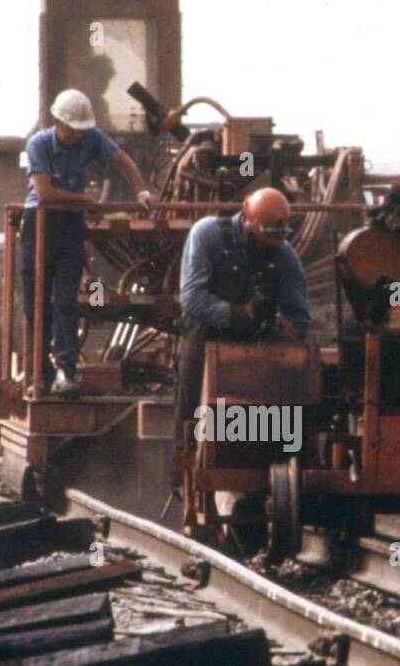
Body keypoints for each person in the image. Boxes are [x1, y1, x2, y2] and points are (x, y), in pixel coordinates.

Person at [21, 87, 154, 397]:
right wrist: (85, 199)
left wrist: (142, 193)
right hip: (39, 224)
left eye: (83, 130)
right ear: (58, 122)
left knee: (67, 300)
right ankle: (40, 374)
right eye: (73, 130)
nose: (79, 136)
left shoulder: (91, 137)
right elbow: (44, 193)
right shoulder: (39, 144)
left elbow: (125, 161)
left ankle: (66, 373)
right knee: (36, 303)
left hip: (69, 226)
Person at [174, 186, 311, 438]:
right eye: (262, 241)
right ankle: (187, 448)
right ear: (247, 218)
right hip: (206, 334)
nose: (267, 248)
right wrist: (240, 313)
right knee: (192, 397)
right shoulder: (208, 234)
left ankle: (265, 449)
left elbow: (298, 314)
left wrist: (287, 337)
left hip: (255, 337)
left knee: (278, 398)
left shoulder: (284, 253)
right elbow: (192, 297)